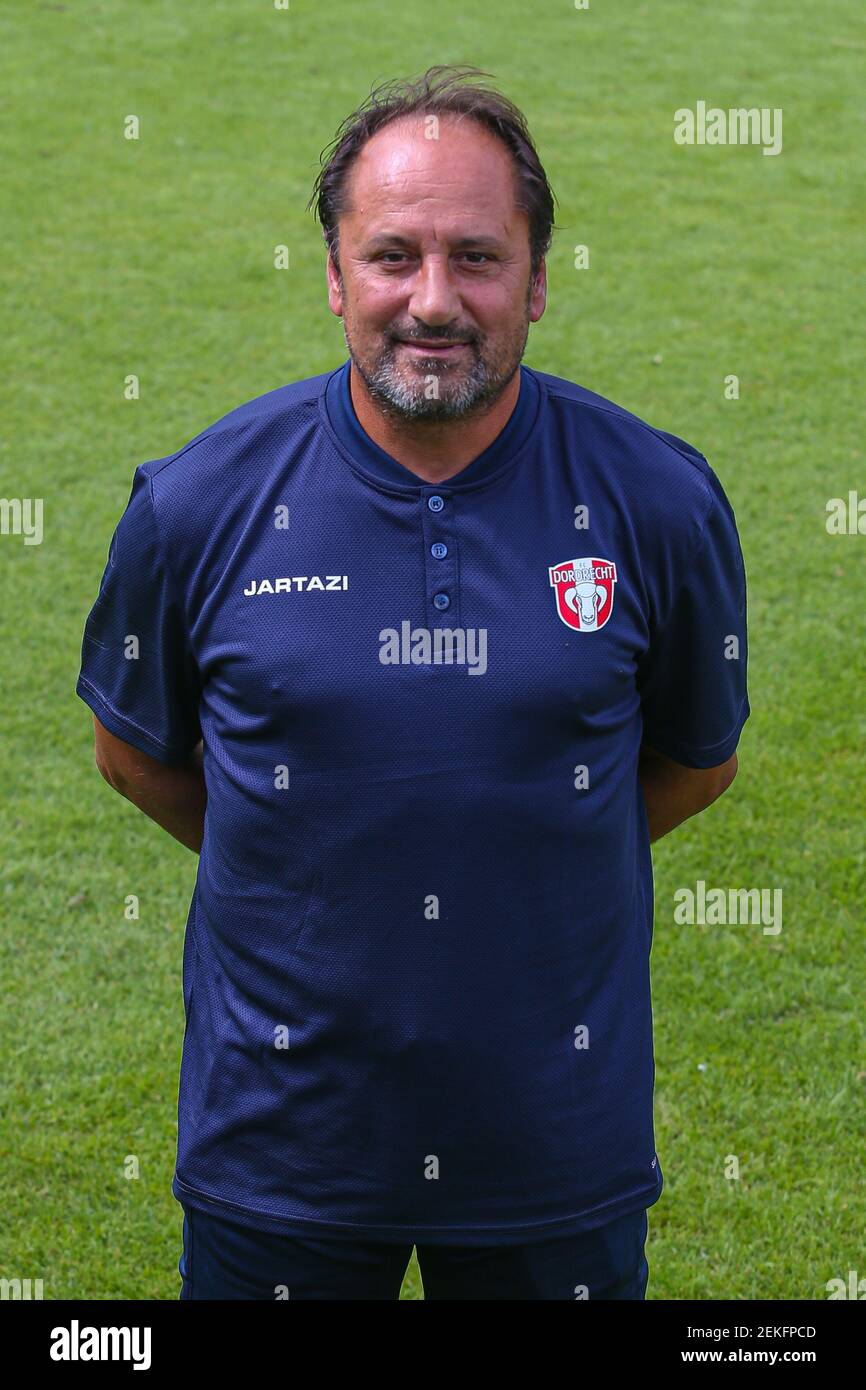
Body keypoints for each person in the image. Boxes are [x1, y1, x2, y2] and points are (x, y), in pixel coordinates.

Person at [76, 65, 749, 1300]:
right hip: (279, 1153)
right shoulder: (197, 504)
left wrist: (522, 831)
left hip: (552, 1150)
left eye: (477, 258)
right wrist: (309, 847)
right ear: (334, 276)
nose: (432, 301)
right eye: (391, 256)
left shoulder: (656, 501)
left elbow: (693, 762)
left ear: (537, 280)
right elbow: (134, 753)